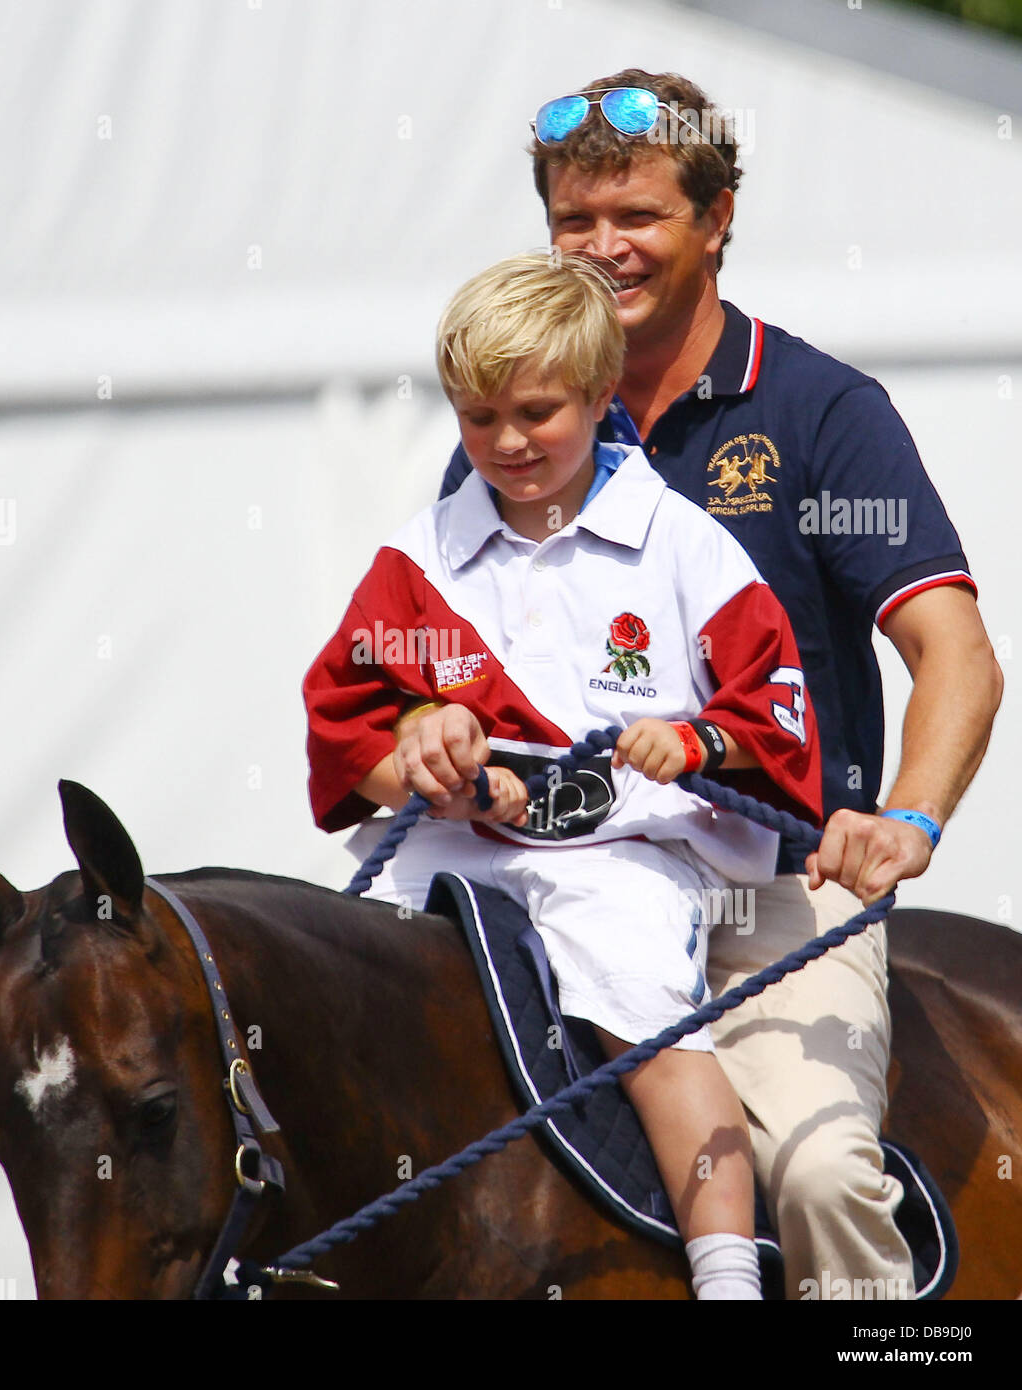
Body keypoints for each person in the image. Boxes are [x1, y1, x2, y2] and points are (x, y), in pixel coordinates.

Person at [394, 70, 1003, 1299]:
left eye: (636, 217)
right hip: (547, 883)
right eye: (574, 221)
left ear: (716, 219)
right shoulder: (521, 419)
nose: (601, 248)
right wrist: (427, 731)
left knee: (825, 1175)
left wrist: (909, 819)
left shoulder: (820, 412)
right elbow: (427, 658)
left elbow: (956, 656)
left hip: (767, 900)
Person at [304, 250, 825, 1300]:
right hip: (446, 854)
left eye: (535, 412)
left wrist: (693, 743)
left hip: (617, 853)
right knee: (335, 994)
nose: (504, 442)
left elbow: (772, 705)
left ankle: (725, 1275)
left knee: (646, 1021)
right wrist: (419, 750)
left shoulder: (683, 545)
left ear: (597, 398)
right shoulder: (416, 560)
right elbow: (339, 723)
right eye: (476, 416)